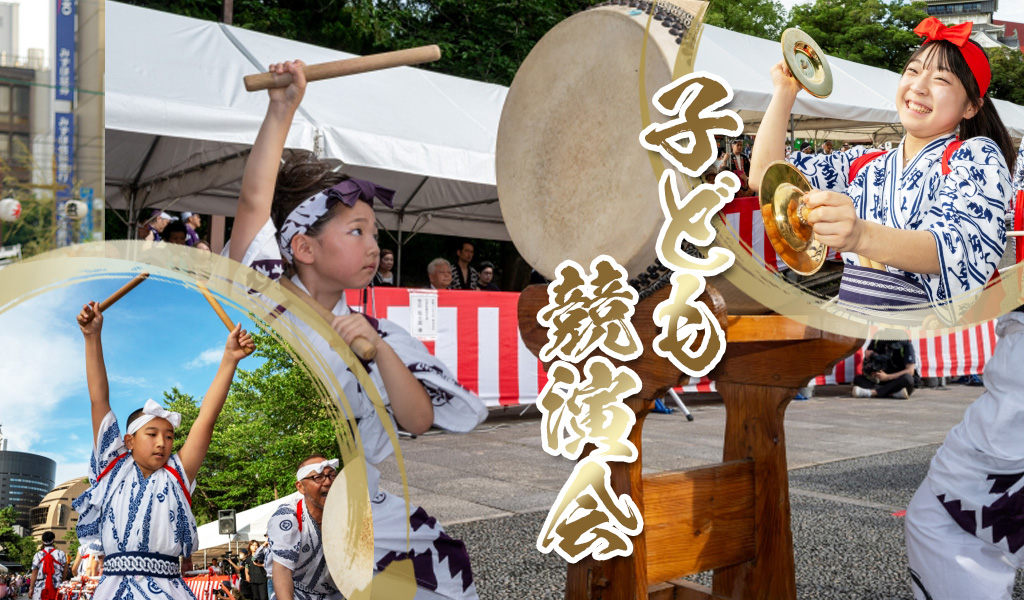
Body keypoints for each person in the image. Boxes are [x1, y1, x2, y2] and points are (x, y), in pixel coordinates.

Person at [225, 60, 486, 599]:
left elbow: (419, 418)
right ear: (302, 246)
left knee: (447, 579)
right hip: (303, 505)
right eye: (357, 230)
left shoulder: (379, 332)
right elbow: (254, 203)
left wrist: (379, 352)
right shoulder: (268, 296)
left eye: (375, 232)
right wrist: (281, 110)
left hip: (364, 505)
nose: (375, 246)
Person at [749, 17, 1016, 325]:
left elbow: (954, 248)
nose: (919, 86)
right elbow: (766, 176)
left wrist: (859, 235)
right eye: (912, 71)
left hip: (925, 339)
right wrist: (785, 92)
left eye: (941, 80)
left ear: (971, 106)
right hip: (856, 329)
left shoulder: (977, 157)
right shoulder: (864, 162)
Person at [72, 300, 253, 600]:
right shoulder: (111, 466)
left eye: (169, 436)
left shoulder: (176, 474)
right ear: (128, 441)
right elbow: (98, 400)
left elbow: (206, 419)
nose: (163, 442)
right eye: (152, 434)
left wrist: (229, 360)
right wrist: (92, 337)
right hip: (112, 589)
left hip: (168, 590)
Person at [266, 456, 342, 600]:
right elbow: (283, 569)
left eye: (332, 476)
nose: (328, 482)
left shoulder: (350, 512)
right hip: (296, 593)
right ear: (301, 487)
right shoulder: (288, 517)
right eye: (318, 477)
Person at [851, 333, 918, 399]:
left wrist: (887, 377)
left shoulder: (906, 344)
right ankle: (892, 393)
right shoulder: (877, 339)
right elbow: (868, 360)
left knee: (908, 379)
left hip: (896, 379)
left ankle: (872, 393)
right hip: (880, 380)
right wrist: (872, 371)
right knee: (858, 379)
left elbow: (910, 371)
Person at [28, 532, 66, 600]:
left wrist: (31, 588)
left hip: (40, 588)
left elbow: (34, 572)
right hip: (57, 587)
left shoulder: (38, 555)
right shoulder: (61, 554)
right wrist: (61, 581)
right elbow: (65, 570)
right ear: (53, 540)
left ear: (42, 541)